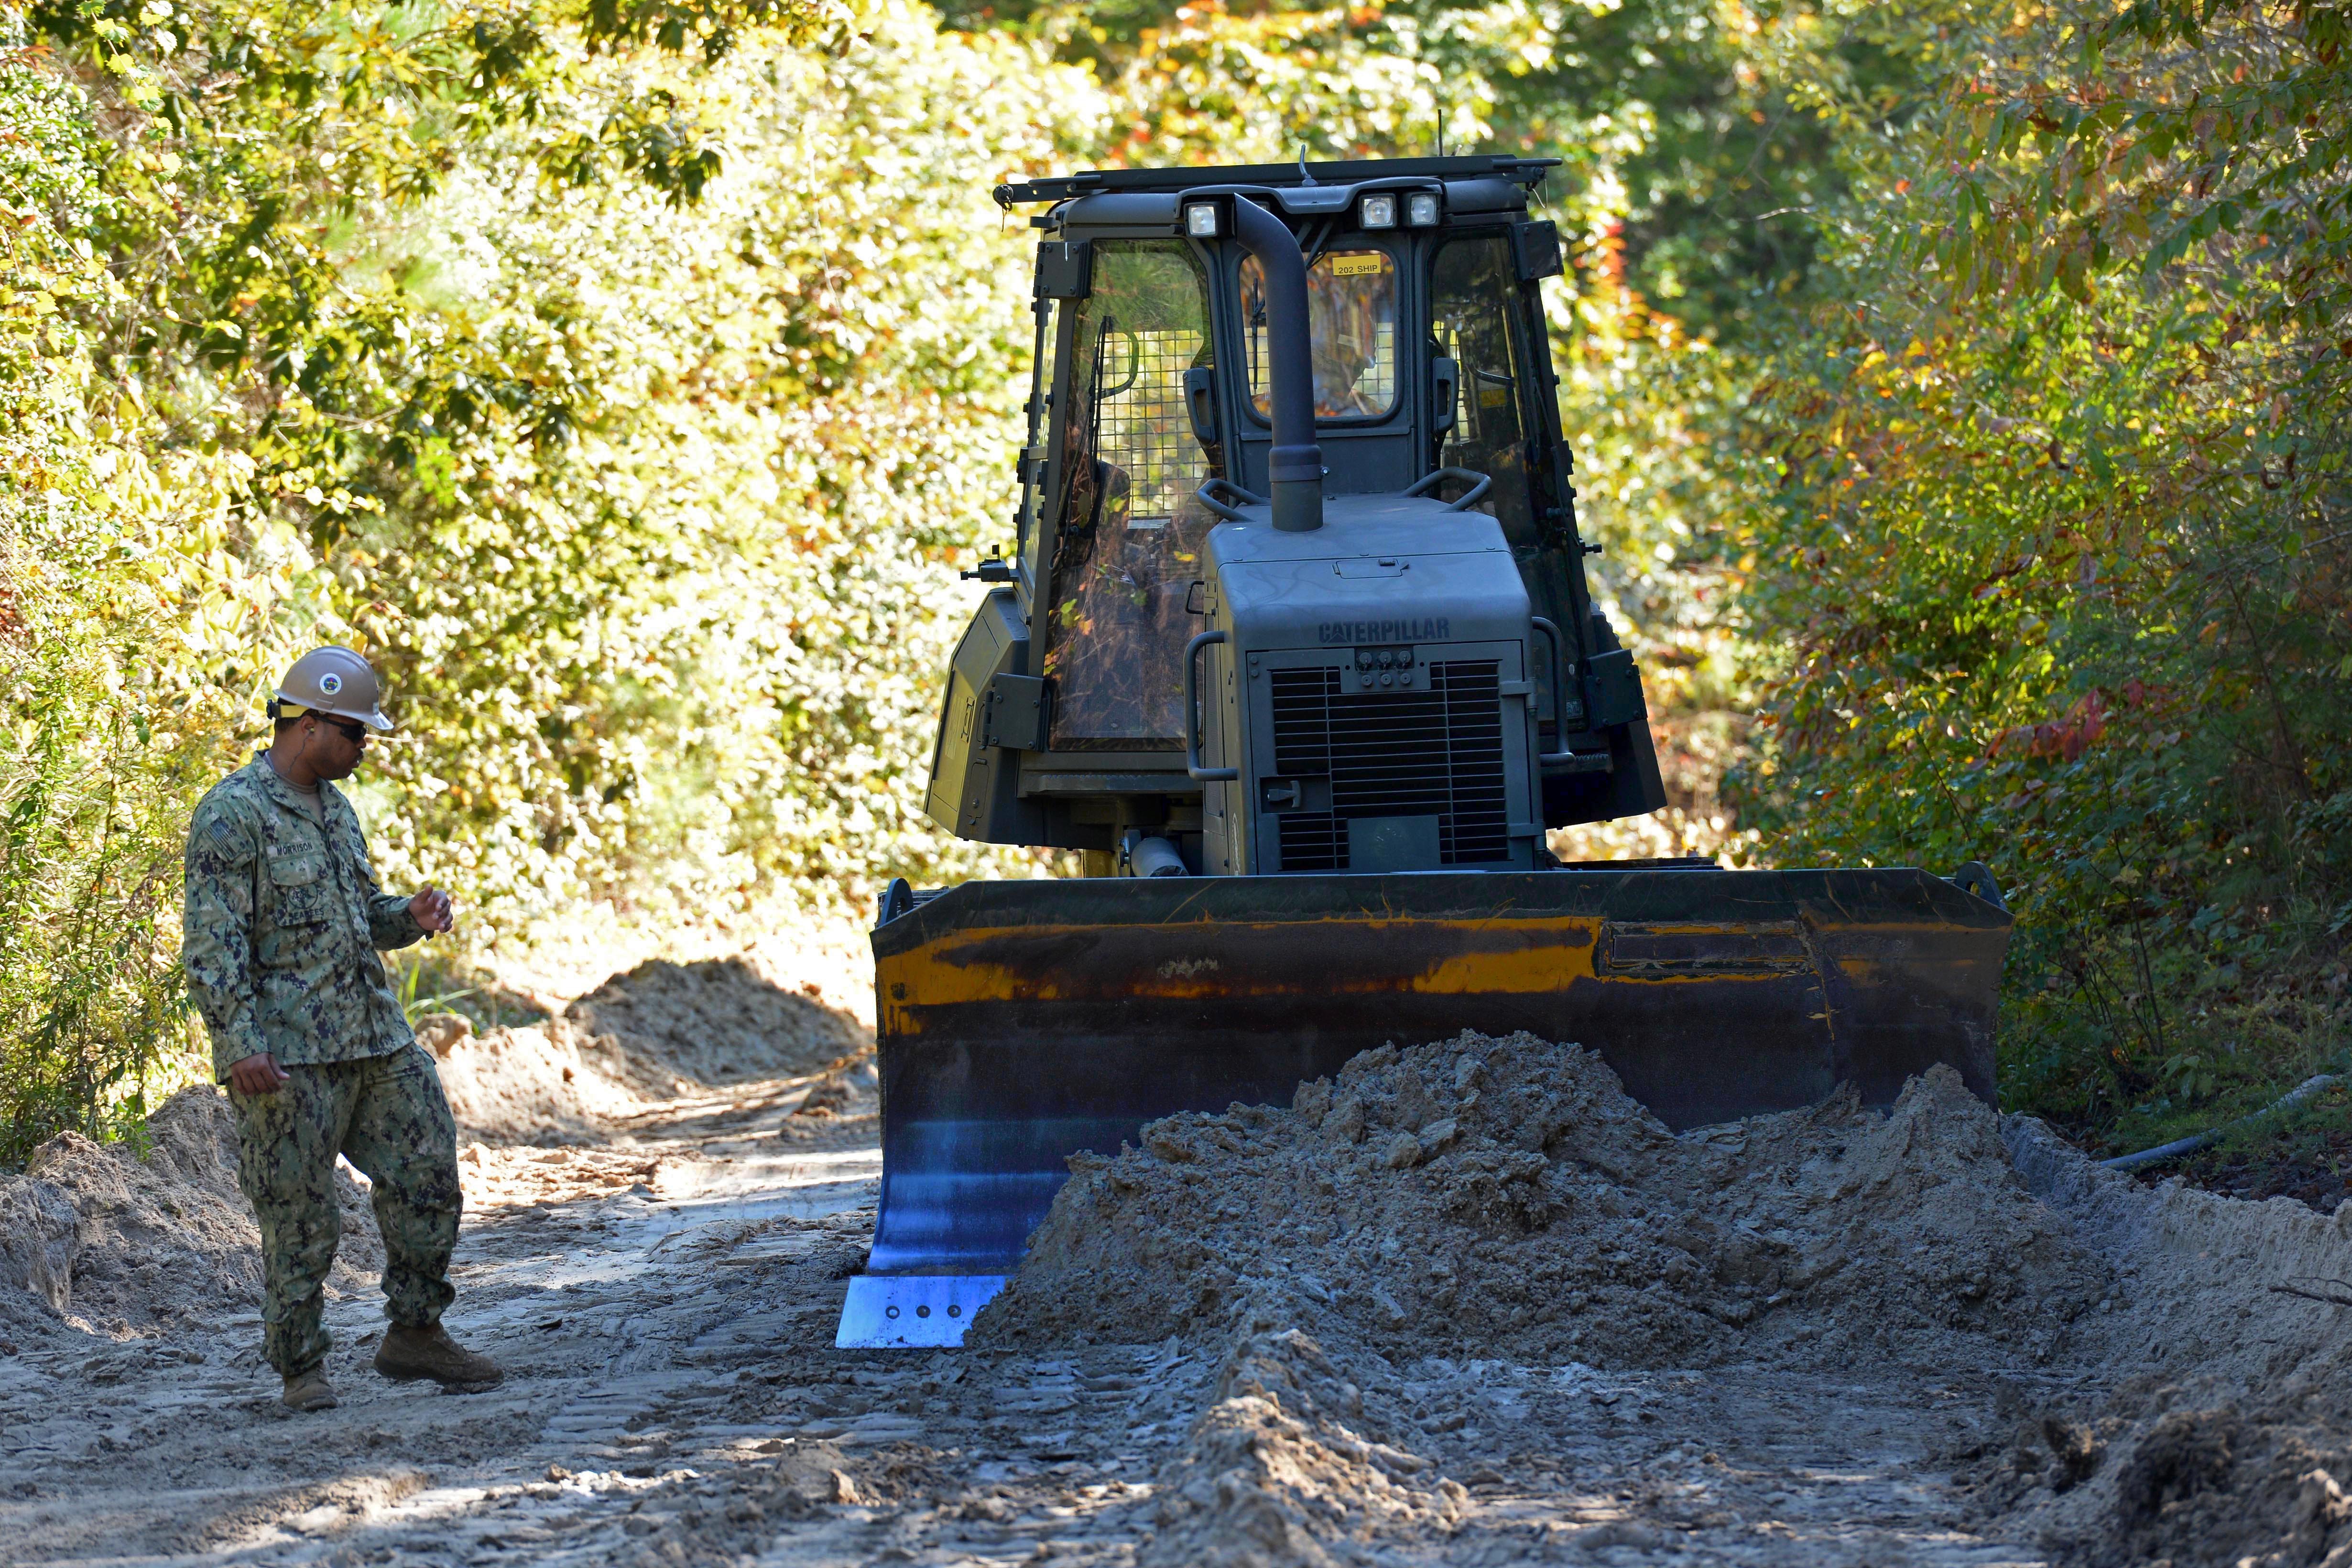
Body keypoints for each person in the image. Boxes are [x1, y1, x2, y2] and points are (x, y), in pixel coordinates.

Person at [181, 647, 502, 1412]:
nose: (364, 748)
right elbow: (212, 945)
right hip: (290, 1059)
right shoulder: (233, 815)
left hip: (376, 1040)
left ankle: (415, 1334)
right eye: (356, 734)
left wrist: (410, 917)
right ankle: (302, 1370)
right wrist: (238, 1046)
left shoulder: (337, 809)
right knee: (298, 1216)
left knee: (429, 1175)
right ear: (312, 721)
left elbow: (359, 918)